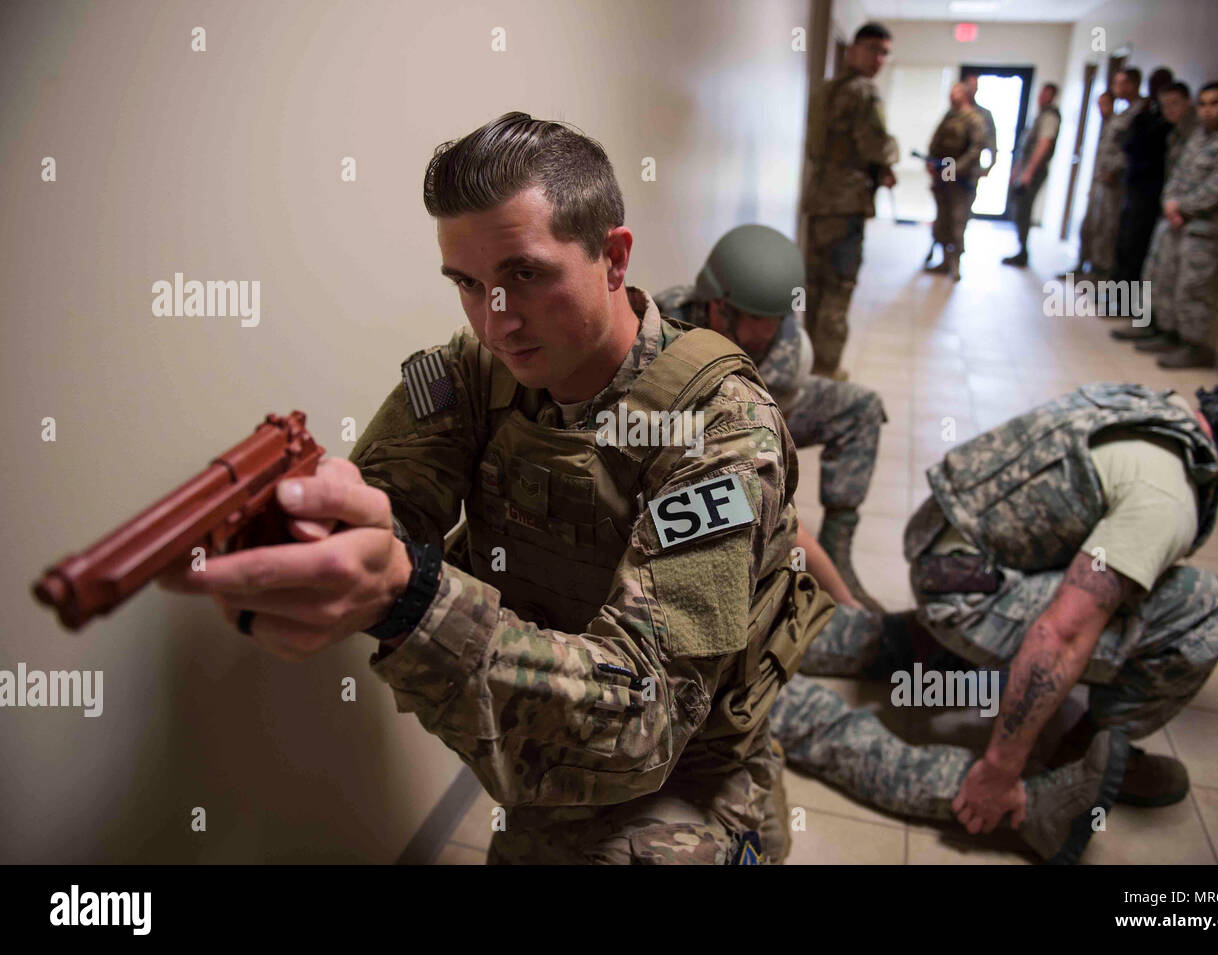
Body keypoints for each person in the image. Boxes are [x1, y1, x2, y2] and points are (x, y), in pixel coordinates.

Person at [160, 112, 841, 865]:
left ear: (613, 258)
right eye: (468, 284)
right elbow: (387, 499)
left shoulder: (720, 431)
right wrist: (293, 531)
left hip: (687, 771)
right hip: (542, 737)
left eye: (525, 275)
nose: (496, 321)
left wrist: (408, 596)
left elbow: (645, 722)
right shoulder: (475, 373)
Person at [774, 367, 1218, 855]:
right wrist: (1000, 771)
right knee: (1202, 609)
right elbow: (1063, 633)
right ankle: (1026, 801)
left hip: (945, 564)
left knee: (786, 648)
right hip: (950, 588)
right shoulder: (1163, 473)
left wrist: (840, 601)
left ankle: (915, 650)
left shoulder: (1150, 411)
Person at [655, 225, 889, 612]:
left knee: (859, 406)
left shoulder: (789, 351)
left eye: (773, 319)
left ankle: (839, 554)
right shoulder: (665, 335)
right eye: (750, 318)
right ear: (715, 304)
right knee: (753, 504)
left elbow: (770, 436)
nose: (762, 333)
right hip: (687, 441)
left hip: (764, 414)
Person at [802, 21, 899, 380]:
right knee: (838, 289)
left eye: (885, 52)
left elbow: (815, 147)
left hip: (820, 199)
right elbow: (876, 145)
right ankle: (826, 371)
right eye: (873, 49)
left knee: (814, 286)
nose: (879, 58)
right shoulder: (865, 93)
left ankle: (807, 364)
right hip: (847, 205)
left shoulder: (825, 91)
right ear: (854, 49)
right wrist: (889, 161)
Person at [1131, 82, 1218, 368]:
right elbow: (1176, 175)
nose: (1207, 110)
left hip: (1203, 228)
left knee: (1193, 289)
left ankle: (1194, 346)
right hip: (1176, 222)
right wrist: (1170, 202)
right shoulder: (1197, 136)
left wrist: (1182, 206)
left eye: (1215, 103)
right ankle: (1167, 330)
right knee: (1164, 278)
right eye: (1203, 103)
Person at [1109, 67, 1174, 296]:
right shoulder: (1145, 112)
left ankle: (1126, 300)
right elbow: (1130, 144)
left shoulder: (1167, 121)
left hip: (1150, 192)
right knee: (1124, 242)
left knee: (1137, 246)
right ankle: (1115, 292)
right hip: (1133, 186)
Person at [924, 82, 989, 280]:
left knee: (957, 220)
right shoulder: (949, 116)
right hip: (943, 175)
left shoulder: (974, 119)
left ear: (965, 95)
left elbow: (976, 149)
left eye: (956, 93)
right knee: (942, 218)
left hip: (961, 178)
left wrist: (955, 168)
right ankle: (944, 260)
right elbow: (935, 142)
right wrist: (931, 162)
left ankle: (955, 264)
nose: (952, 96)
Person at [1002, 83, 1060, 267]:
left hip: (1033, 172)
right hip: (1025, 169)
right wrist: (1017, 170)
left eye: (1047, 94)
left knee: (1023, 210)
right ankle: (1021, 249)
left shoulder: (1049, 116)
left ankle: (1023, 252)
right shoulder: (1040, 115)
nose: (1042, 97)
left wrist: (1028, 172)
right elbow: (1026, 148)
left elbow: (1043, 145)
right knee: (1018, 209)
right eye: (1042, 93)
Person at [1065, 90, 1118, 279]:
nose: (1101, 108)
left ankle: (1098, 272)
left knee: (1103, 231)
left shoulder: (1118, 126)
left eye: (1105, 103)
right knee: (1087, 226)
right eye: (1099, 103)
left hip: (1111, 190)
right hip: (1098, 186)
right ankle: (1082, 265)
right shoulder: (1105, 126)